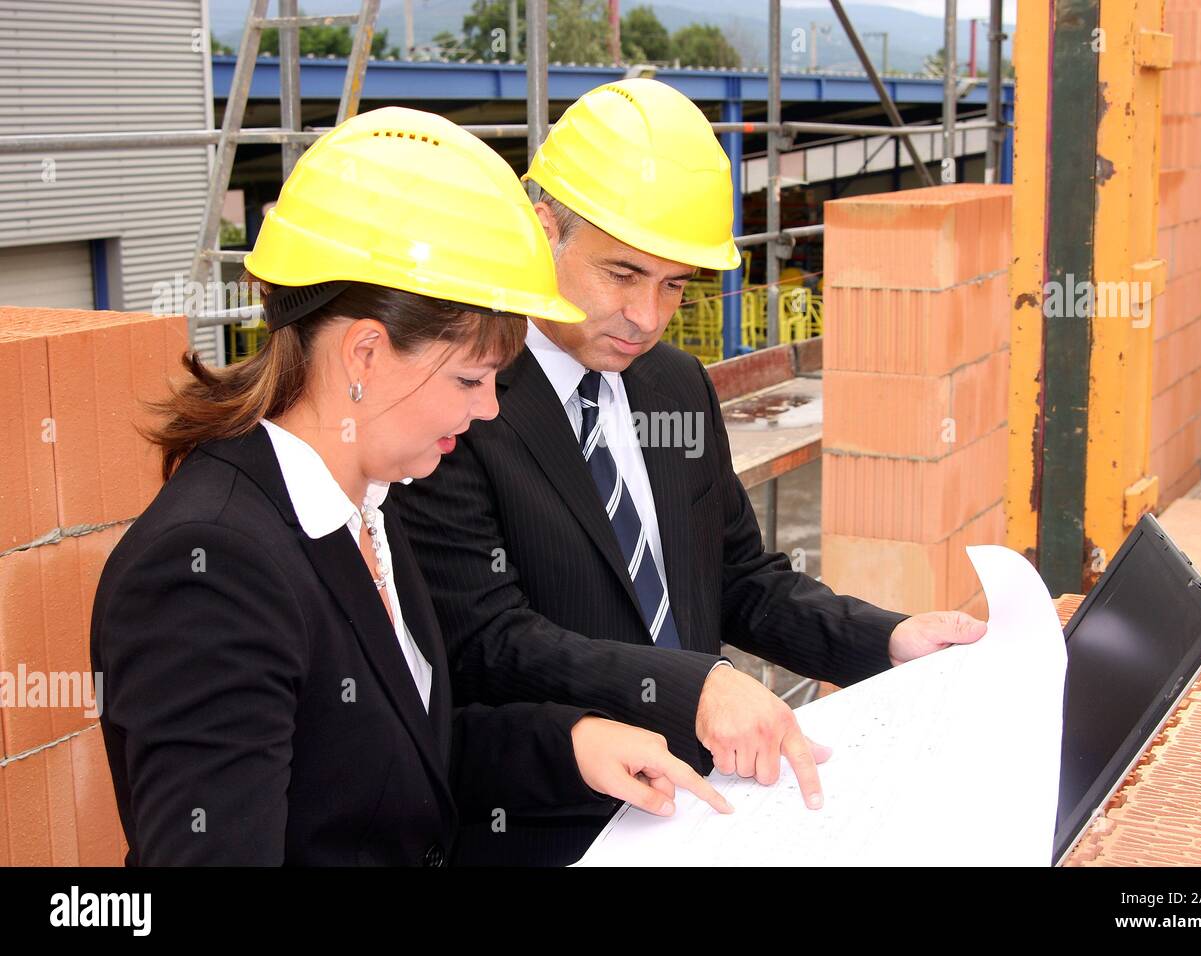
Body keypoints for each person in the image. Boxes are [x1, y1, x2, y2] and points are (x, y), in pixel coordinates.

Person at [89, 106, 729, 867]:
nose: (490, 407)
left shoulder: (364, 510)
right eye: (470, 376)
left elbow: (398, 753)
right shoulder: (209, 571)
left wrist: (568, 743)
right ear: (363, 354)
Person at [392, 80, 988, 865]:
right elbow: (487, 643)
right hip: (555, 827)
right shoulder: (458, 405)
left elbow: (741, 578)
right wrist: (694, 688)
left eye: (674, 284)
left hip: (707, 809)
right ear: (542, 233)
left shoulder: (672, 383)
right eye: (622, 274)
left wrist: (888, 641)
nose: (649, 316)